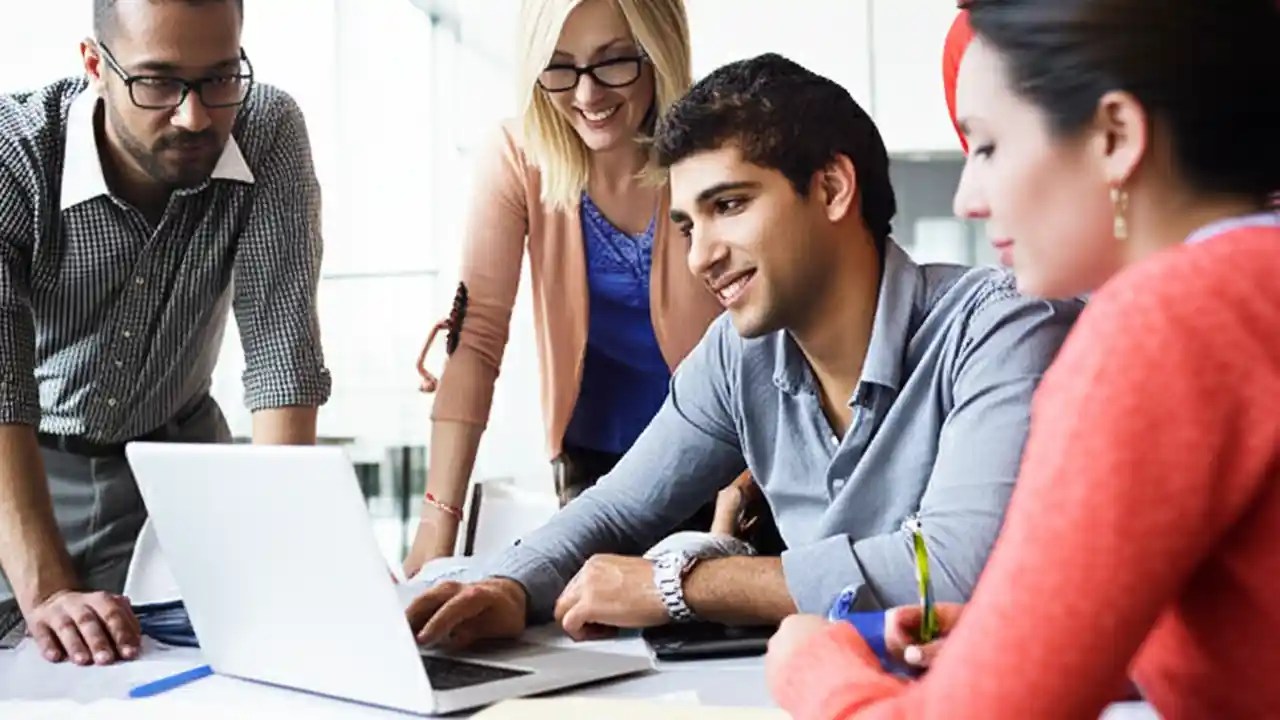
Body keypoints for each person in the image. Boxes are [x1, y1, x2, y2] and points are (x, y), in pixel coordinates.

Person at [402, 53, 1080, 650]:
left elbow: (954, 569)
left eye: (729, 206)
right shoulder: (738, 355)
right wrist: (508, 588)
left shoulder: (1001, 328)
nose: (701, 256)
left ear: (833, 187)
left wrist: (683, 583)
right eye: (687, 224)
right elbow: (618, 508)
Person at [765, 1, 1280, 717]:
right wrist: (1028, 636)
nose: (968, 198)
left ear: (1115, 135)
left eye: (987, 147)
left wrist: (811, 661)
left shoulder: (1163, 324)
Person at [0, 0, 331, 666]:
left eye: (218, 78)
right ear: (95, 64)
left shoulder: (266, 128)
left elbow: (281, 354)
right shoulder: (14, 153)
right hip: (20, 472)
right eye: (156, 83)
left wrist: (285, 553)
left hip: (174, 474)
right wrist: (47, 589)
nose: (195, 116)